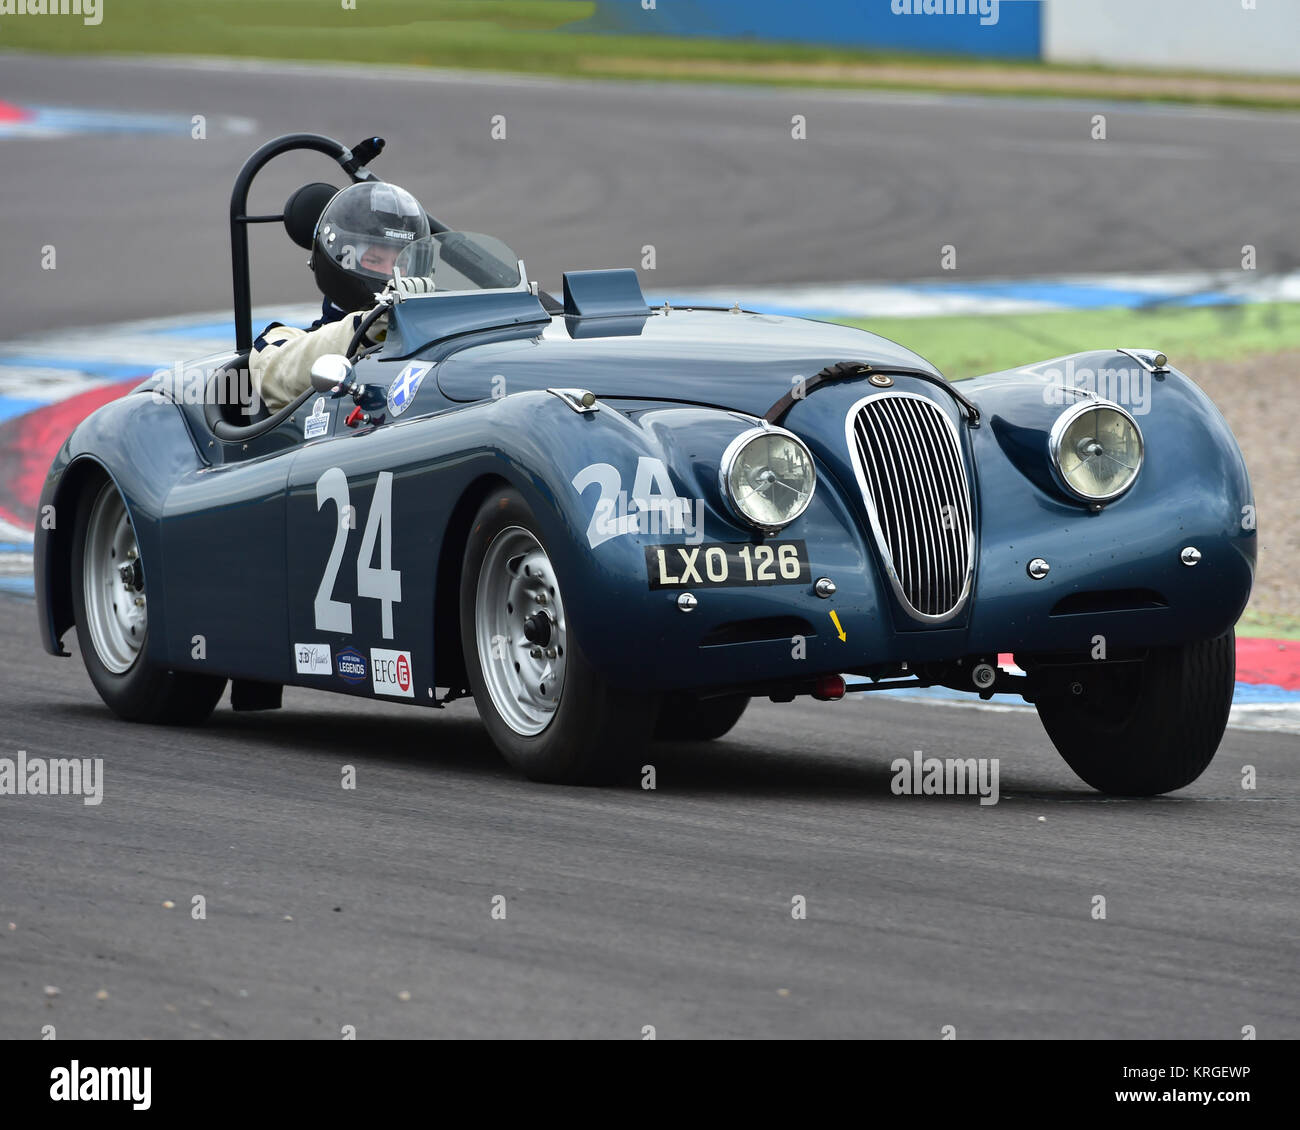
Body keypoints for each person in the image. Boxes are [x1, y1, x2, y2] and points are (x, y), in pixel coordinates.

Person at [250, 181, 431, 413]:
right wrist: (373, 325)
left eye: (401, 264)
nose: (392, 275)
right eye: (374, 261)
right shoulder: (276, 342)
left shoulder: (432, 338)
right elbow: (277, 374)